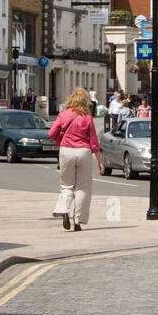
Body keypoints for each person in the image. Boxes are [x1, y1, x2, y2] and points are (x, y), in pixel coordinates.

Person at [48, 87, 101, 232]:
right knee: (83, 187)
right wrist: (100, 162)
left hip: (66, 151)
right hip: (84, 151)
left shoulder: (63, 115)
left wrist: (60, 140)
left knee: (66, 185)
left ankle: (64, 209)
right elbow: (94, 143)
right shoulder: (87, 118)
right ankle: (78, 221)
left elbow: (51, 133)